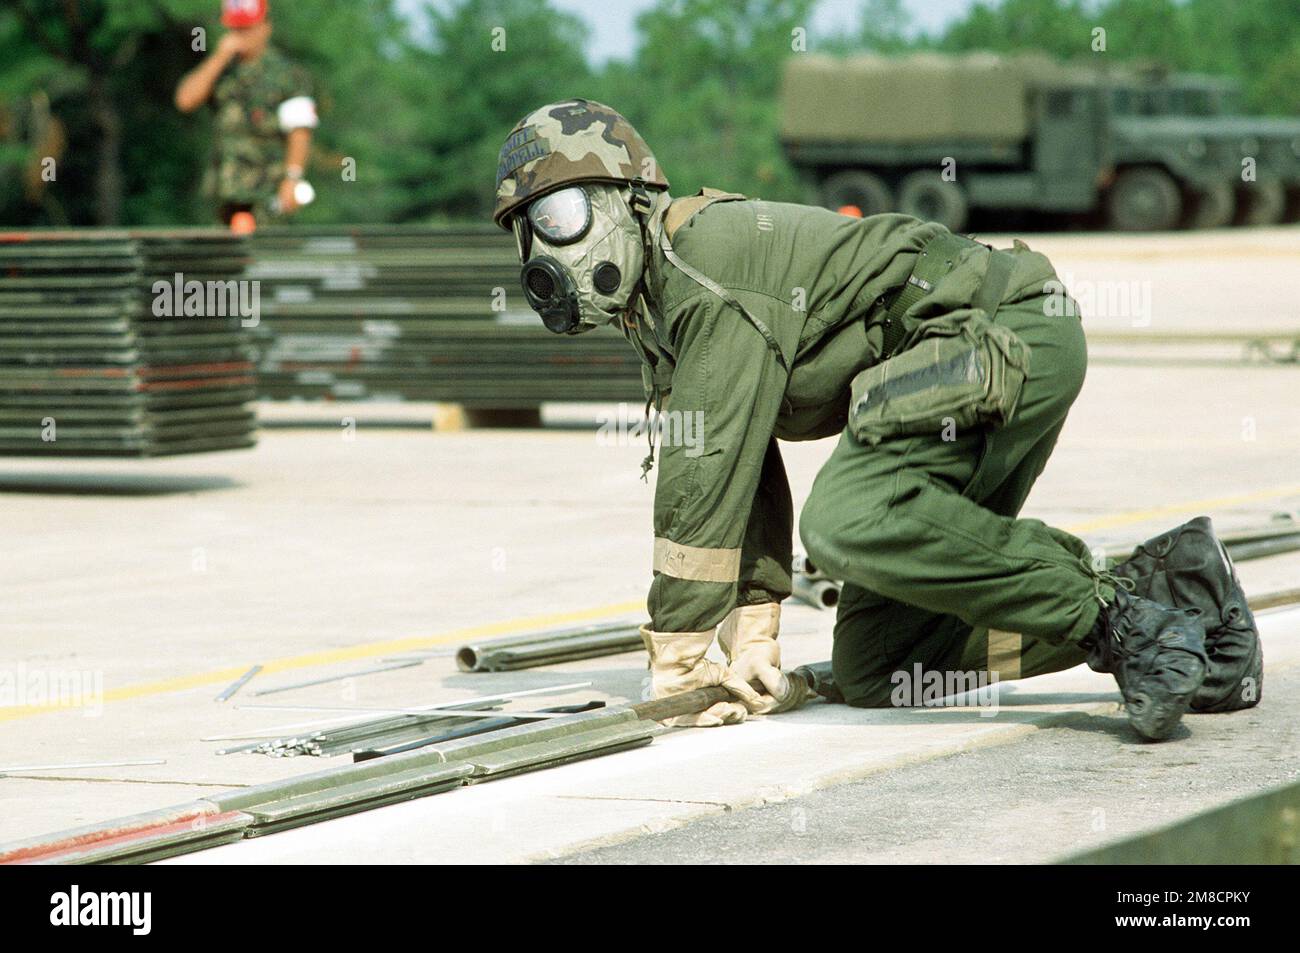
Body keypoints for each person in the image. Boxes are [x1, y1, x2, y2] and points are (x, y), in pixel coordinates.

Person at [493, 99, 1262, 740]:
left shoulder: (703, 259)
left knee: (845, 516)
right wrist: (752, 636)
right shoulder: (658, 312)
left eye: (557, 215)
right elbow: (739, 469)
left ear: (629, 197)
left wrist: (680, 660)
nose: (543, 247)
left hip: (996, 331)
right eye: (526, 228)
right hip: (954, 371)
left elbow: (704, 471)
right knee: (881, 666)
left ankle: (1117, 620)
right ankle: (1176, 596)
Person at [174, 0, 318, 226]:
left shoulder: (287, 74)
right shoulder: (222, 71)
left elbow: (299, 131)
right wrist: (219, 58)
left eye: (247, 28)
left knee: (263, 254)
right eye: (235, 28)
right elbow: (185, 100)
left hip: (266, 190)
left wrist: (292, 178)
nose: (240, 35)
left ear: (265, 27)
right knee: (221, 257)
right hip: (223, 190)